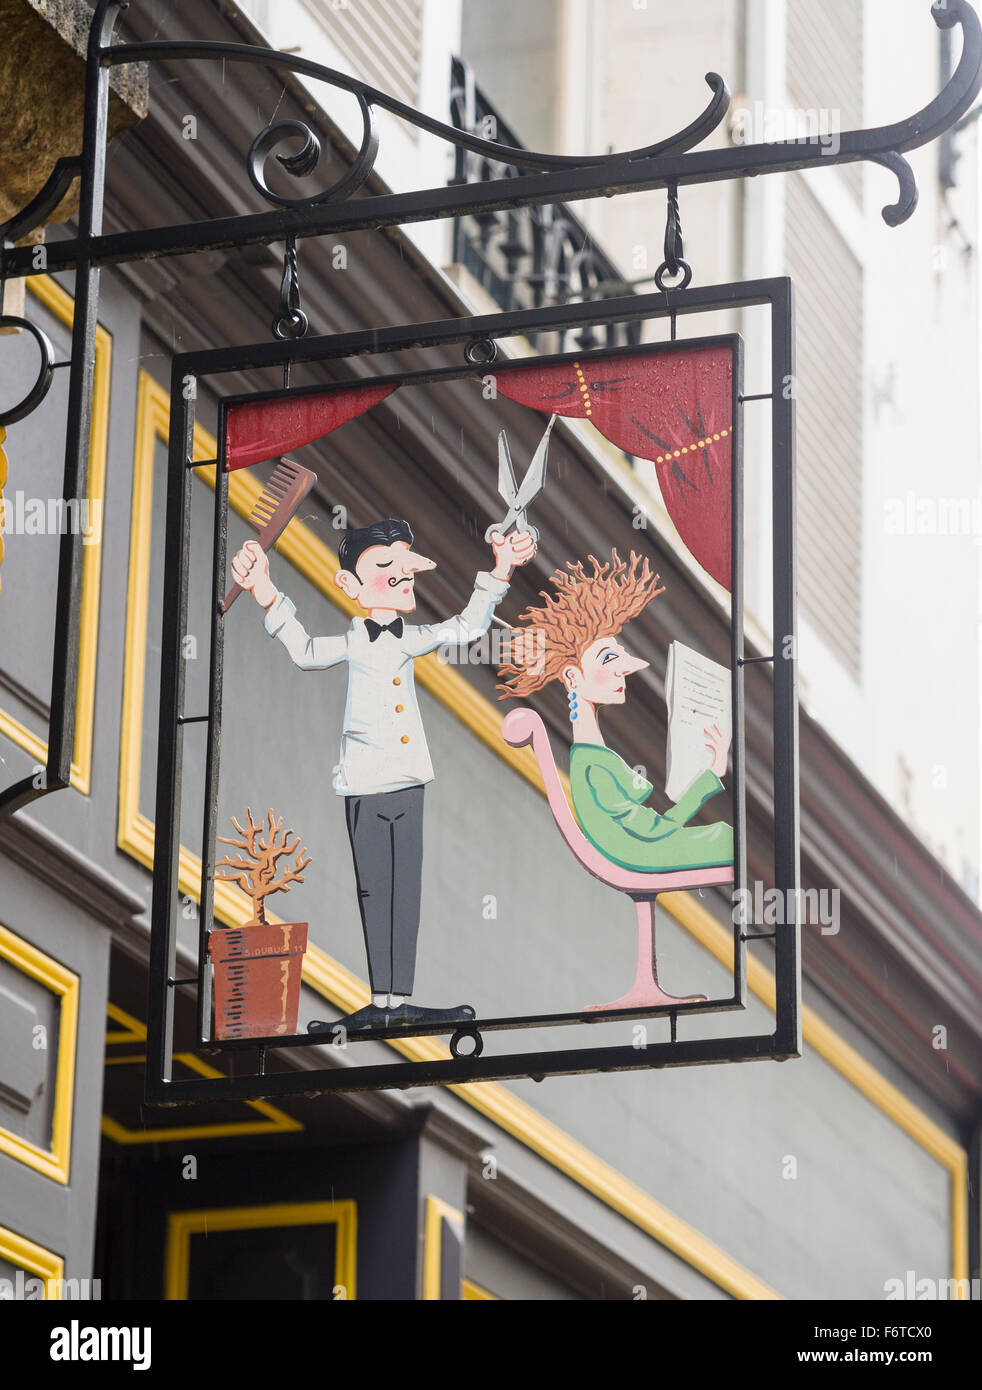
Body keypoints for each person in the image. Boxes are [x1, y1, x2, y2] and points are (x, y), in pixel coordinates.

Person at [231, 517, 536, 1030]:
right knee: (375, 888)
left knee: (406, 892)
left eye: (405, 566)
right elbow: (304, 652)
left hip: (410, 779)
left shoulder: (410, 638)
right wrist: (264, 589)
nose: (400, 576)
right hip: (365, 784)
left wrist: (501, 568)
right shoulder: (353, 642)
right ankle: (381, 1003)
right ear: (348, 585)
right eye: (384, 566)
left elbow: (466, 626)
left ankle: (399, 1000)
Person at [496, 549, 732, 872]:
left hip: (649, 848)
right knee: (727, 840)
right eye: (608, 659)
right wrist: (709, 777)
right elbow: (655, 832)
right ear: (571, 677)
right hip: (647, 852)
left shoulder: (592, 761)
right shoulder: (594, 769)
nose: (623, 669)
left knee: (727, 839)